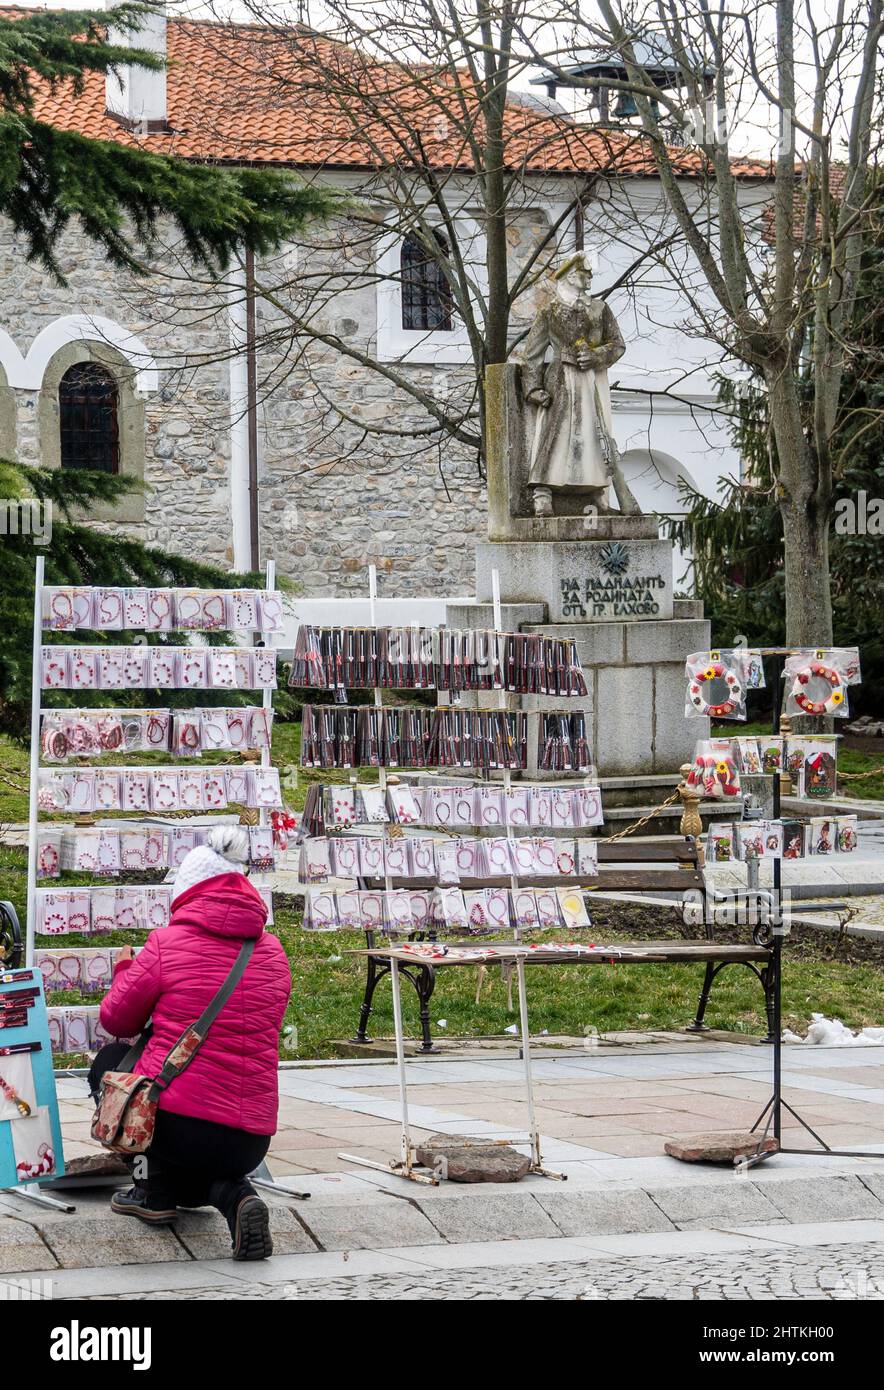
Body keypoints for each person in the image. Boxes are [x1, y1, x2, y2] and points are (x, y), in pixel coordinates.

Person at [89, 826, 291, 1261]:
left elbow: (115, 1020)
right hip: (252, 1138)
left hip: (180, 1125)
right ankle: (237, 1196)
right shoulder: (273, 952)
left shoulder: (167, 943)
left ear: (187, 894)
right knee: (211, 1165)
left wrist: (126, 971)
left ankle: (152, 1190)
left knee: (107, 1065)